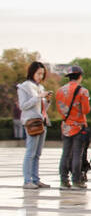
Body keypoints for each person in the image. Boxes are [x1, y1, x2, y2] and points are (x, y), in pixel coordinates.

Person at [54, 65, 90, 189]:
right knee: (77, 155)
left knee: (65, 154)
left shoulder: (60, 91)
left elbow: (60, 109)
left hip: (66, 126)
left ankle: (63, 181)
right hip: (79, 126)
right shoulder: (83, 91)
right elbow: (86, 110)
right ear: (80, 76)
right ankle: (76, 181)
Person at [18, 61, 50, 189]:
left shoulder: (40, 87)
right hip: (31, 122)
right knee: (30, 153)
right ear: (32, 72)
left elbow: (42, 109)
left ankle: (36, 179)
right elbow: (23, 105)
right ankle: (27, 180)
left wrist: (47, 101)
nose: (40, 76)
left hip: (42, 121)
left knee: (37, 154)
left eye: (42, 74)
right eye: (38, 73)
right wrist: (38, 97)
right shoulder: (24, 87)